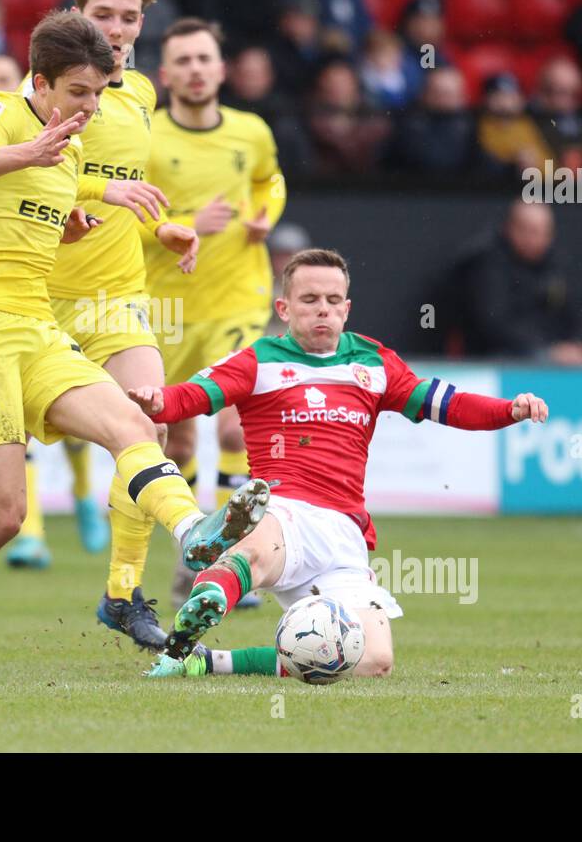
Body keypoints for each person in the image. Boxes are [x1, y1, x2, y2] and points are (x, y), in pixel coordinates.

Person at [0, 11, 269, 677]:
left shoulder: (71, 147)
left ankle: (194, 531)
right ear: (43, 82)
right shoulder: (3, 110)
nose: (92, 106)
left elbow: (35, 209)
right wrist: (26, 154)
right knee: (2, 514)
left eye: (101, 91)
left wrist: (70, 225)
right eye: (81, 92)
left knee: (136, 423)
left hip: (35, 327)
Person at [0, 0, 199, 653]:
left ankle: (123, 592)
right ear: (77, 17)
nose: (116, 30)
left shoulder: (139, 95)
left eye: (129, 18)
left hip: (114, 295)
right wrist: (83, 202)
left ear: (144, 24)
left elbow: (117, 184)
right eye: (102, 16)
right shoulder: (35, 94)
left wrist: (160, 228)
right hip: (34, 298)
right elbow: (18, 177)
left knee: (150, 417)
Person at [128, 248, 550, 677]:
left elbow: (449, 404)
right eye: (309, 300)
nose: (322, 310)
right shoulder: (261, 360)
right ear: (284, 307)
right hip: (282, 509)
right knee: (253, 553)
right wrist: (158, 401)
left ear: (347, 308)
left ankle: (209, 662)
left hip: (345, 534)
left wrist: (508, 410)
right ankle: (211, 589)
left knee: (372, 661)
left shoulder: (374, 363)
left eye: (333, 301)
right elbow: (197, 394)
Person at [145, 17, 287, 596]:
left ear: (222, 69)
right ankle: (193, 547)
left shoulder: (251, 131)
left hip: (239, 299)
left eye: (205, 58)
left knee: (234, 426)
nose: (196, 70)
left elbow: (270, 180)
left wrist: (265, 217)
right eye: (183, 60)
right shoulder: (146, 137)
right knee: (176, 443)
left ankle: (235, 552)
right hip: (168, 310)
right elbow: (124, 220)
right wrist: (179, 226)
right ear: (165, 74)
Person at [463, 198, 582, 365]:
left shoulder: (554, 266)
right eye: (530, 231)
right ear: (510, 228)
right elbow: (494, 325)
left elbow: (577, 314)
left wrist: (577, 343)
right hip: (502, 358)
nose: (537, 239)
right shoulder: (486, 265)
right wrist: (549, 349)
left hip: (555, 354)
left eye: (544, 232)